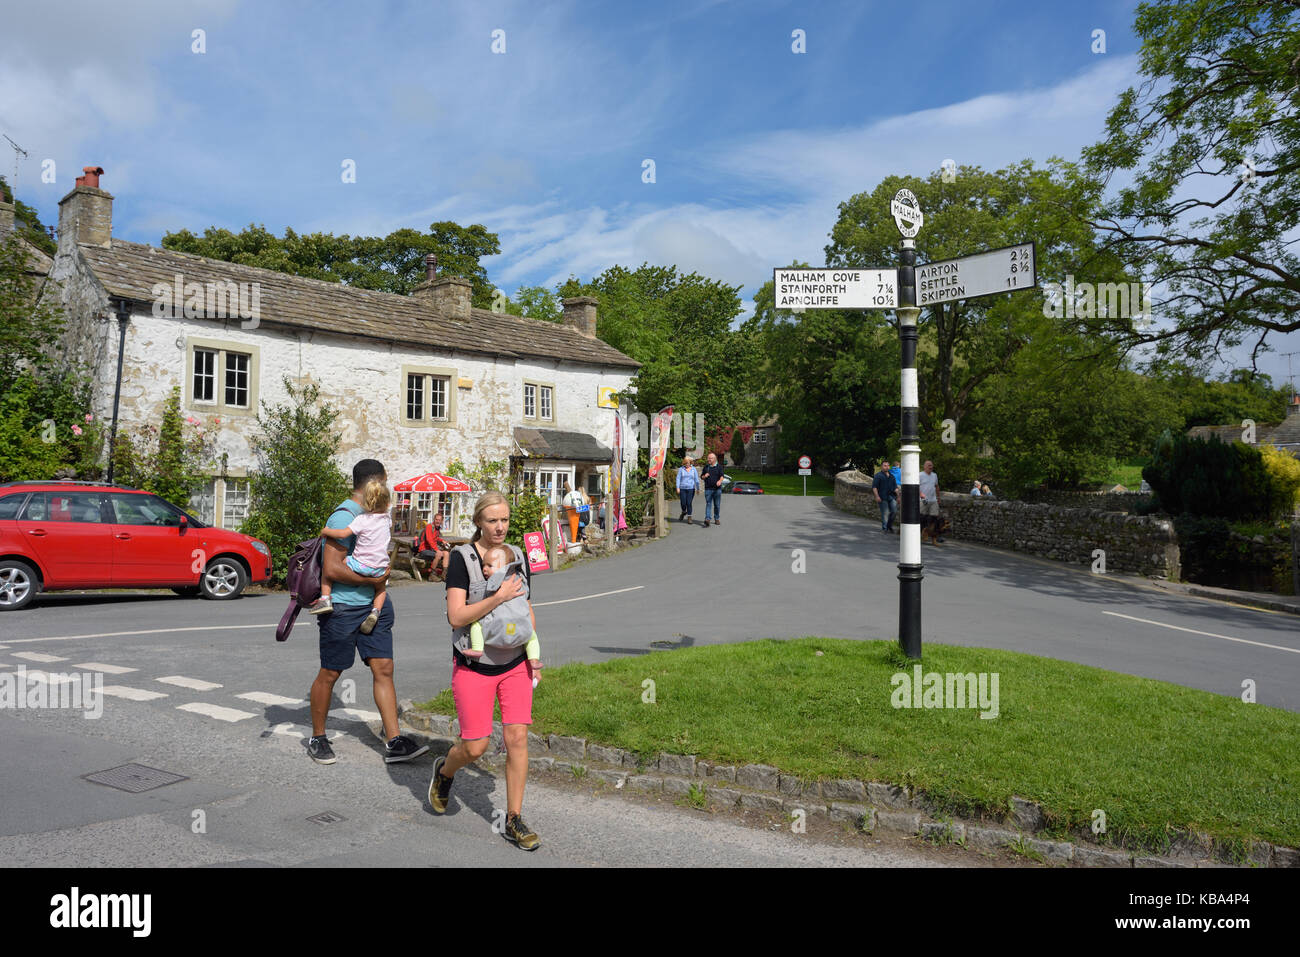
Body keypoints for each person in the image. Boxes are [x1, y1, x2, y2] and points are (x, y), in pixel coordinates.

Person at [428, 491, 541, 850]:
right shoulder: (462, 558)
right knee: (475, 747)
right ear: (478, 521)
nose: (500, 527)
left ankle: (514, 818)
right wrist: (496, 597)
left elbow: (525, 608)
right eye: (492, 520)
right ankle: (445, 772)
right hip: (475, 665)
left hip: (515, 663)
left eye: (505, 520)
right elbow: (456, 616)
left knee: (517, 738)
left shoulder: (516, 556)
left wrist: (534, 652)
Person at [307, 459, 429, 766]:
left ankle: (394, 741)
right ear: (378, 482)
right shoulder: (345, 515)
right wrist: (373, 580)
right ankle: (318, 737)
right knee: (331, 672)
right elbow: (332, 568)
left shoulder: (375, 515)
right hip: (344, 607)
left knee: (384, 668)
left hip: (374, 606)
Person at [310, 477, 391, 635]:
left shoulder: (361, 519)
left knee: (331, 567)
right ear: (387, 503)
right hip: (380, 567)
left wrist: (325, 531)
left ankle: (325, 598)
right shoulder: (387, 519)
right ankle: (375, 611)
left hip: (360, 565)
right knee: (381, 588)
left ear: (366, 502)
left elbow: (342, 533)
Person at [463, 541, 543, 672]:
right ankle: (534, 660)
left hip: (498, 623)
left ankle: (477, 648)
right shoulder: (520, 579)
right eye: (483, 565)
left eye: (490, 565)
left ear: (504, 567)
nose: (484, 569)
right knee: (532, 636)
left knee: (476, 625)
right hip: (520, 623)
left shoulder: (496, 579)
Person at [414, 511, 451, 579]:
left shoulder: (437, 528)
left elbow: (435, 538)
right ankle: (432, 575)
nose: (437, 521)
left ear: (442, 521)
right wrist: (437, 550)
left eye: (439, 520)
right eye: (436, 519)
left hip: (431, 550)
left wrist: (442, 540)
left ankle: (444, 574)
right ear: (434, 519)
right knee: (439, 554)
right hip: (423, 550)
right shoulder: (429, 526)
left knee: (446, 553)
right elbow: (429, 539)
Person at [919, 459, 944, 545]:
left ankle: (936, 537)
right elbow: (915, 486)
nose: (931, 467)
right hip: (923, 500)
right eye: (929, 465)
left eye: (931, 465)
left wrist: (938, 497)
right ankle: (921, 535)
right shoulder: (920, 475)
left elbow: (936, 487)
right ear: (924, 466)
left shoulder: (934, 475)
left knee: (935, 519)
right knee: (922, 518)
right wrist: (920, 494)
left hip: (933, 500)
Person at [872, 460, 898, 533]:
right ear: (882, 466)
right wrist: (877, 496)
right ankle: (885, 528)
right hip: (882, 497)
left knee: (894, 511)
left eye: (888, 465)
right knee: (885, 513)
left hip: (891, 497)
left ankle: (889, 526)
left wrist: (899, 496)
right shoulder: (878, 476)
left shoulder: (892, 476)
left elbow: (895, 487)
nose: (887, 467)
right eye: (885, 465)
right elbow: (874, 487)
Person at [700, 452, 725, 526]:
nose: (708, 459)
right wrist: (704, 476)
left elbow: (722, 476)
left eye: (710, 458)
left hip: (717, 489)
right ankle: (707, 519)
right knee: (708, 504)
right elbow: (701, 477)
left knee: (717, 505)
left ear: (714, 459)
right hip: (708, 489)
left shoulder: (719, 467)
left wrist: (720, 481)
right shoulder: (706, 467)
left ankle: (716, 518)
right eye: (708, 458)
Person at [675, 456, 699, 523]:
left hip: (691, 489)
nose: (686, 464)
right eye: (685, 463)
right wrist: (677, 487)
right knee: (683, 503)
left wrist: (698, 488)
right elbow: (678, 478)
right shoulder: (681, 469)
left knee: (689, 503)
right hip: (682, 488)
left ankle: (689, 517)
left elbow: (696, 479)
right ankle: (683, 512)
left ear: (690, 462)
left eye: (688, 463)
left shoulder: (694, 469)